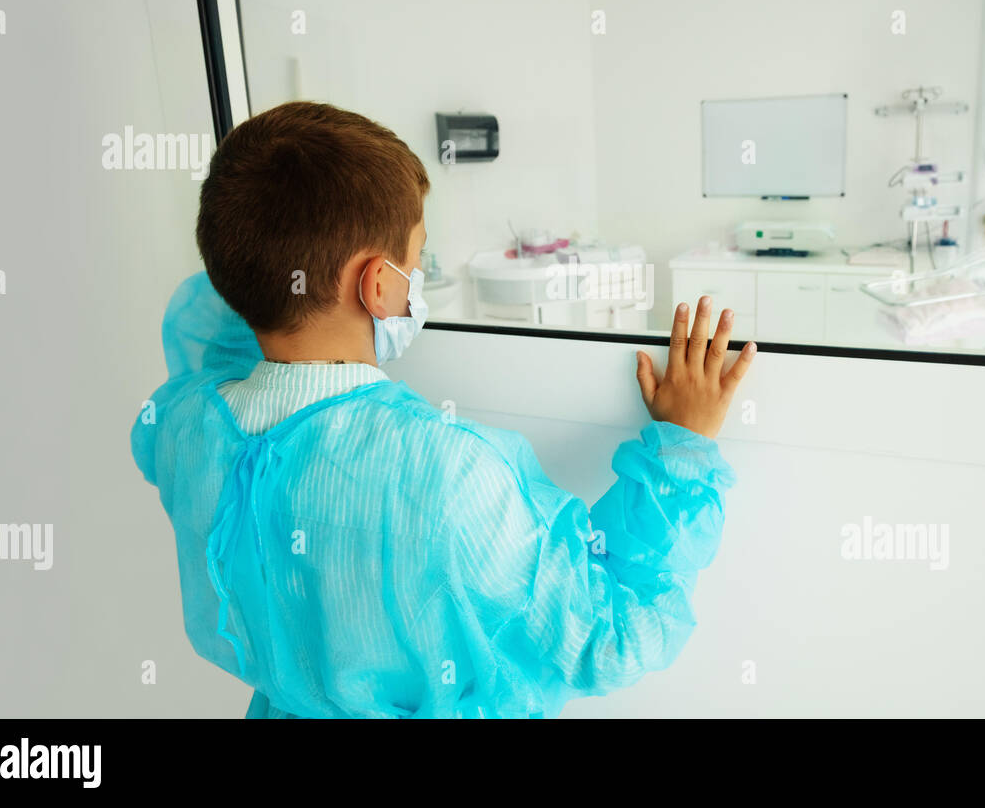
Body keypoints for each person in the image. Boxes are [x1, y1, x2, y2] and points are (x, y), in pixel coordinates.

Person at [130, 101, 755, 718]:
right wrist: (681, 450)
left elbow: (225, 341)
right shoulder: (448, 473)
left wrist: (262, 269)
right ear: (378, 286)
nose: (418, 277)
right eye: (416, 259)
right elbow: (610, 637)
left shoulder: (185, 428)